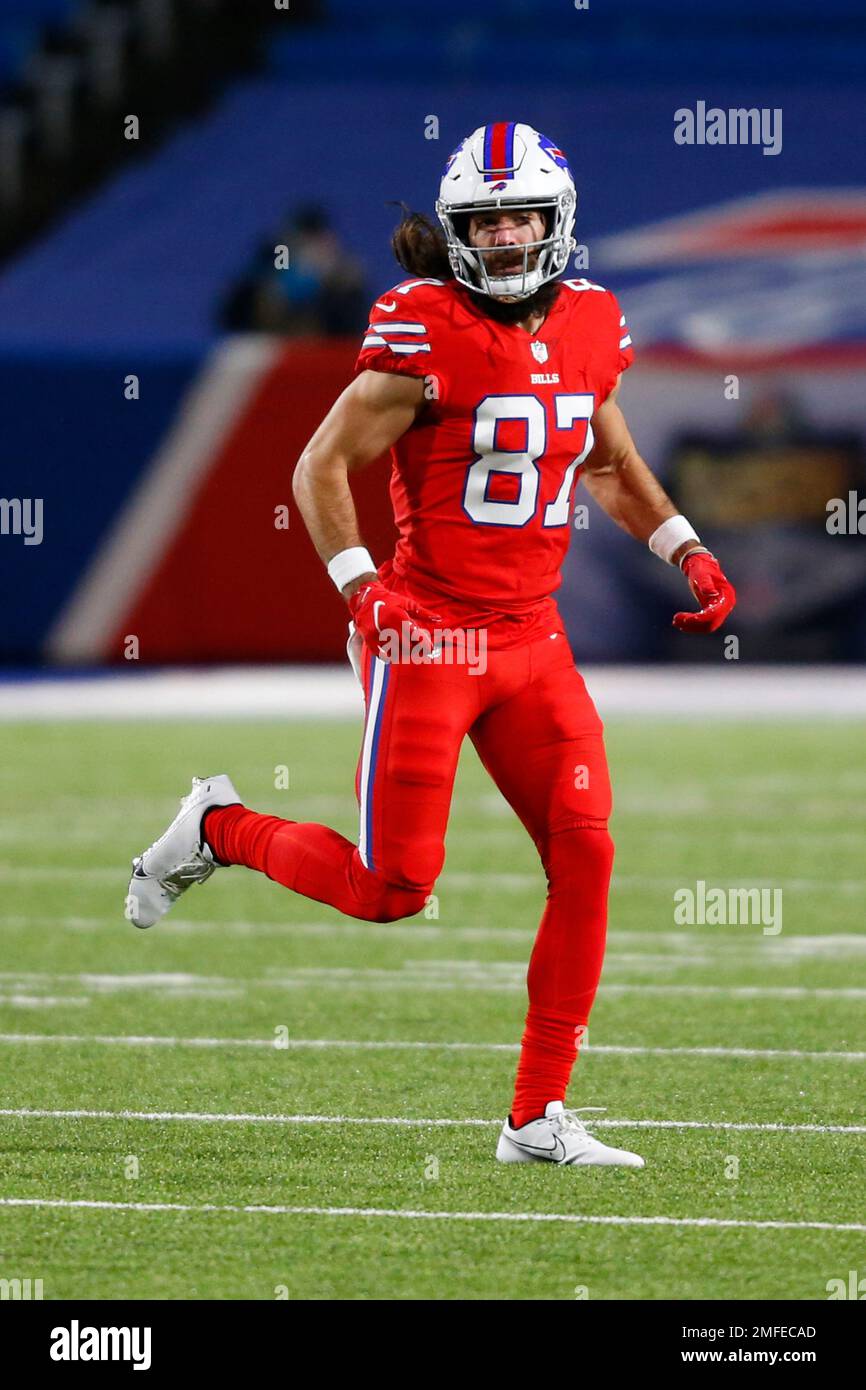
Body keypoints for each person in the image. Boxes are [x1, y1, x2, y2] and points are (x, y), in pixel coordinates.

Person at [126, 123, 735, 1168]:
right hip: (428, 637)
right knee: (392, 889)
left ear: (557, 222)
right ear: (456, 231)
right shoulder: (422, 328)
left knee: (585, 853)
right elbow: (319, 469)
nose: (503, 235)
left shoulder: (591, 322)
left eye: (520, 215)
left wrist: (683, 545)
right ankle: (217, 827)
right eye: (483, 218)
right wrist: (362, 591)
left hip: (533, 641)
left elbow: (608, 461)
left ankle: (534, 1116)